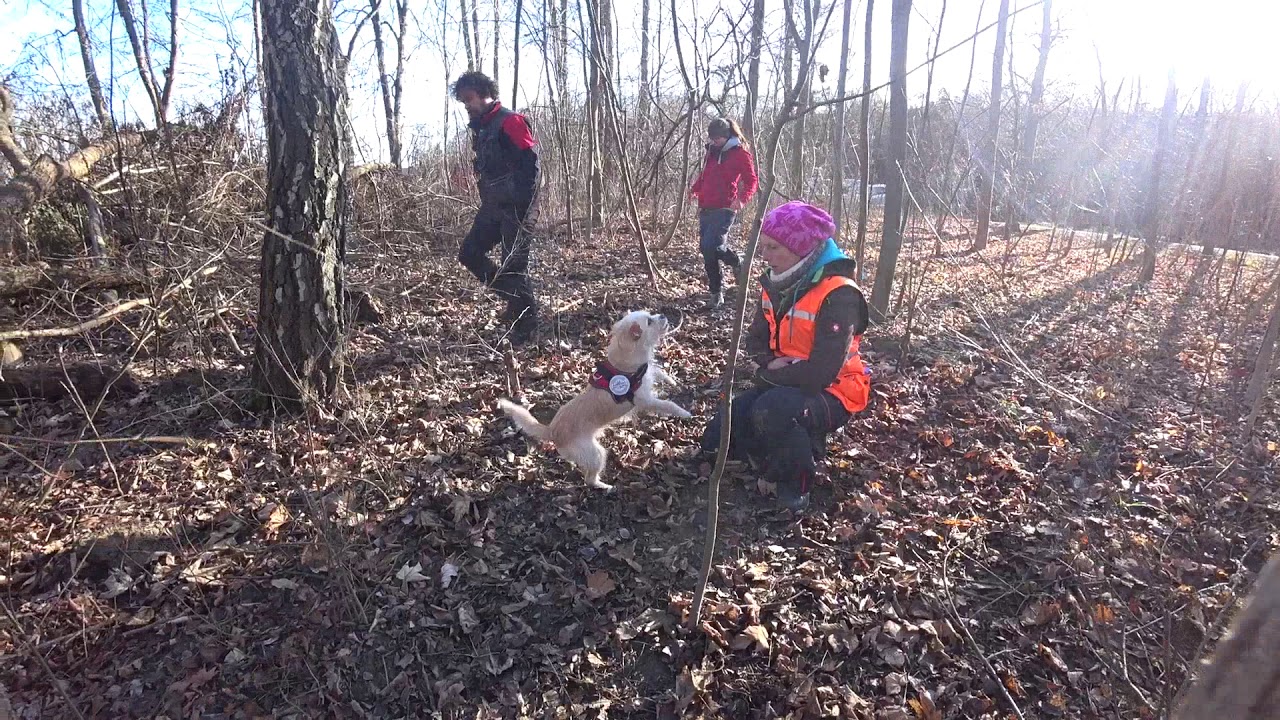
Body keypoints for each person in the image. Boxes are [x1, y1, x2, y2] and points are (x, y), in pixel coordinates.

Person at [700, 201, 871, 511]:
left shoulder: (840, 294)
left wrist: (766, 375)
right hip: (782, 381)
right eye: (764, 246)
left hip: (835, 392)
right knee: (714, 441)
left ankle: (797, 483)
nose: (765, 255)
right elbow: (755, 340)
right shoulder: (774, 284)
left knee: (771, 411)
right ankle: (777, 452)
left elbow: (820, 373)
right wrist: (768, 363)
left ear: (801, 248)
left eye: (773, 247)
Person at [452, 71, 542, 345]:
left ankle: (527, 325)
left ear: (485, 94)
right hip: (492, 207)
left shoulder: (511, 121)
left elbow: (532, 168)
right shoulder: (482, 128)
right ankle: (516, 303)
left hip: (517, 208)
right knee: (469, 254)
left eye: (469, 99)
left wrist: (520, 208)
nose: (467, 105)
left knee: (514, 265)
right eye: (463, 101)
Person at [688, 118, 758, 309]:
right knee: (706, 249)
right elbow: (704, 177)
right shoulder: (711, 152)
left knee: (713, 245)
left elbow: (752, 181)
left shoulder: (740, 154)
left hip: (726, 208)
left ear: (727, 136)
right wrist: (694, 190)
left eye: (717, 138)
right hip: (706, 207)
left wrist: (742, 200)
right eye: (712, 138)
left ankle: (736, 263)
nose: (714, 141)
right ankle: (716, 292)